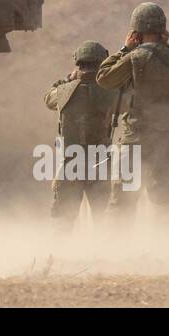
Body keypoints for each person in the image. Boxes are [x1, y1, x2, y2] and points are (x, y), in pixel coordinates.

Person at [96, 2, 169, 224]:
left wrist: (125, 49)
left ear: (136, 33)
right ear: (163, 29)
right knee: (166, 200)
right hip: (168, 139)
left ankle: (115, 252)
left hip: (136, 139)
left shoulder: (134, 58)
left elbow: (104, 78)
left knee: (123, 201)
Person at [44, 41, 119, 232]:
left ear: (78, 63)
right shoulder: (112, 92)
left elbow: (48, 99)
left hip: (70, 162)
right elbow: (127, 102)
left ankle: (61, 258)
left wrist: (67, 79)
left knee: (63, 217)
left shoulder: (63, 91)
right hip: (100, 160)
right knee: (102, 216)